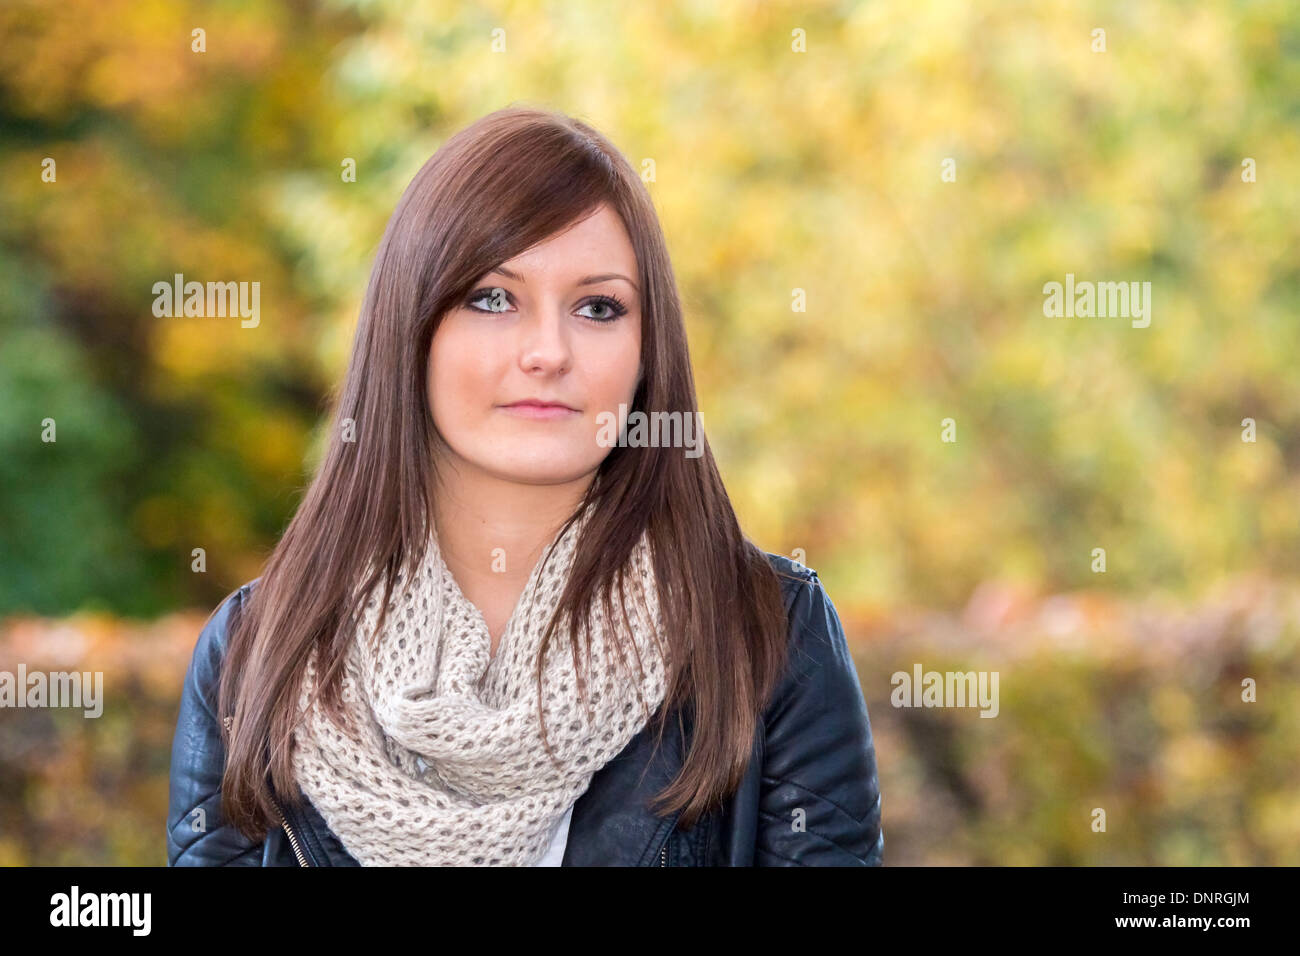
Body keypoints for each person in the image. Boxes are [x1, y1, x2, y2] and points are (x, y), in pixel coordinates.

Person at [166, 105, 883, 866]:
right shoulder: (257, 656)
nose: (548, 351)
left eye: (598, 307)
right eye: (493, 298)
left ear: (647, 354)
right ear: (411, 329)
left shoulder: (769, 635)